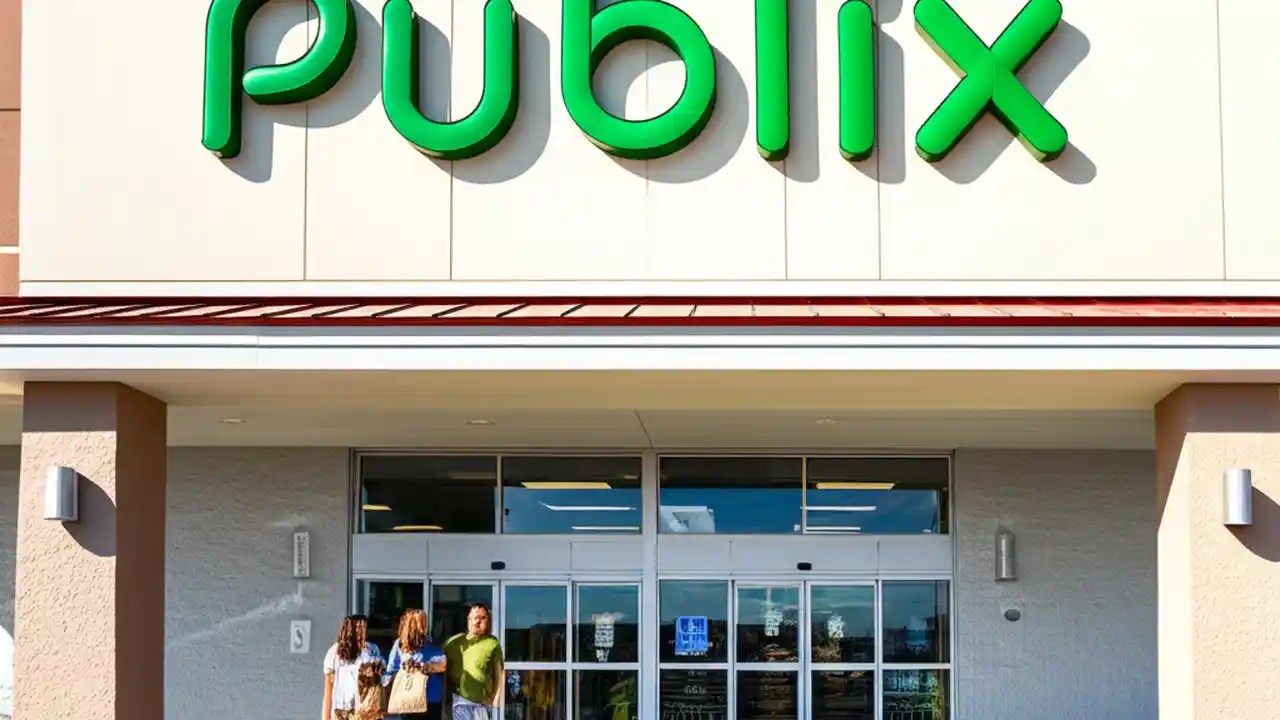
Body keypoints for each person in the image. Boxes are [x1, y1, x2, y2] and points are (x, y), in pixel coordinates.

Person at [442, 603, 505, 720]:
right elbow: (442, 671)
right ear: (468, 619)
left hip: (481, 704)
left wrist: (494, 698)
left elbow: (499, 673)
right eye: (475, 618)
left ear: (488, 621)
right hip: (458, 701)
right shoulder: (453, 642)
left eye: (482, 618)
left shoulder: (492, 643)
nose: (477, 622)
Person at [382, 609, 447, 720]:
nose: (426, 627)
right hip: (412, 699)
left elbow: (443, 666)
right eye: (423, 622)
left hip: (429, 699)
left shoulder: (429, 645)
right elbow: (390, 672)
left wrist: (424, 667)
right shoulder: (401, 645)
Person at [323, 614, 384, 720]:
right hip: (341, 711)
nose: (363, 632)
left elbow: (378, 679)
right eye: (360, 627)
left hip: (364, 710)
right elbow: (328, 688)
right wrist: (325, 717)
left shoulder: (371, 650)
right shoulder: (335, 652)